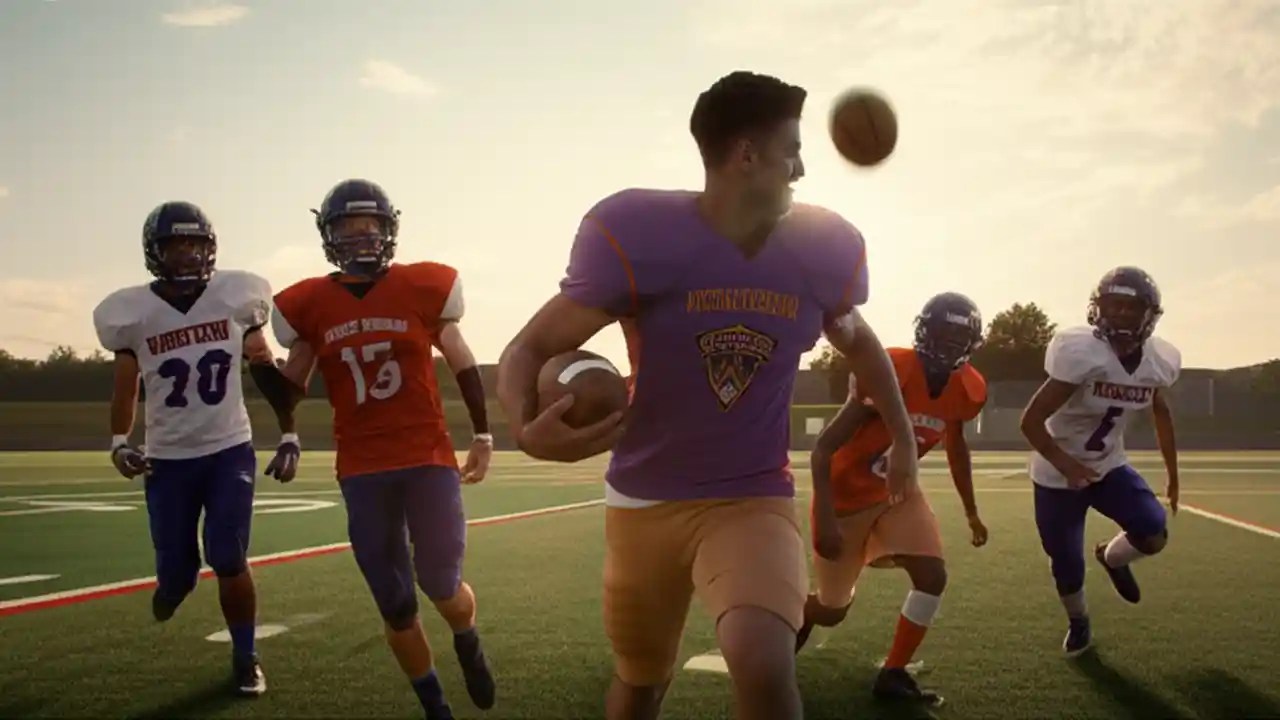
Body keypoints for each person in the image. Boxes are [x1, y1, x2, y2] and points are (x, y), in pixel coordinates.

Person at [496, 71, 919, 720]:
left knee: (762, 658)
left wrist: (906, 440)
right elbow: (528, 347)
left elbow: (862, 344)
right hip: (643, 501)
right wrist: (525, 428)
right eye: (791, 151)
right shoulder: (637, 232)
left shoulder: (821, 246)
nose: (802, 168)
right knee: (640, 684)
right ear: (746, 156)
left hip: (750, 495)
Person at [271, 179, 495, 720]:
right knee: (396, 606)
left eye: (369, 226)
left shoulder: (422, 287)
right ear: (328, 237)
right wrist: (259, 365)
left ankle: (466, 635)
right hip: (363, 466)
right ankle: (435, 707)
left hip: (427, 457)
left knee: (441, 583)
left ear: (389, 230)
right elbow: (291, 387)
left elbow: (462, 361)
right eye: (348, 229)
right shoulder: (310, 304)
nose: (360, 237)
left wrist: (483, 434)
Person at [91, 201, 301, 697]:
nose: (186, 255)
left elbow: (264, 368)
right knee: (179, 575)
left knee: (229, 555)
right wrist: (120, 442)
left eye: (194, 244)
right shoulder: (131, 313)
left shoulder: (237, 296)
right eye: (174, 245)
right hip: (167, 458)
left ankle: (246, 656)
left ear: (210, 248)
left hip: (228, 448)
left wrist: (289, 431)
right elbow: (127, 389)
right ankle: (171, 588)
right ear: (154, 253)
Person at [801, 292, 990, 707]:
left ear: (973, 344)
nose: (948, 345)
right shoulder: (892, 370)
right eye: (942, 334)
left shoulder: (968, 389)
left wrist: (972, 511)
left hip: (898, 493)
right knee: (832, 609)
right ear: (924, 332)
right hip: (847, 497)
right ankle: (793, 617)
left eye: (959, 338)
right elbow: (823, 449)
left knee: (932, 576)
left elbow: (957, 448)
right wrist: (827, 519)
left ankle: (894, 673)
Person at [1019, 266, 1181, 656]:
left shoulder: (1158, 362)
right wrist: (1067, 465)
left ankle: (1112, 558)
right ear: (1098, 308)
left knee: (1153, 531)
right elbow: (1030, 422)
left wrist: (1174, 475)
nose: (1123, 314)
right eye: (1115, 305)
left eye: (1133, 307)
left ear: (1150, 314)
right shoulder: (1080, 352)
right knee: (1066, 565)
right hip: (1057, 476)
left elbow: (1160, 411)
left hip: (1108, 466)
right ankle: (1079, 622)